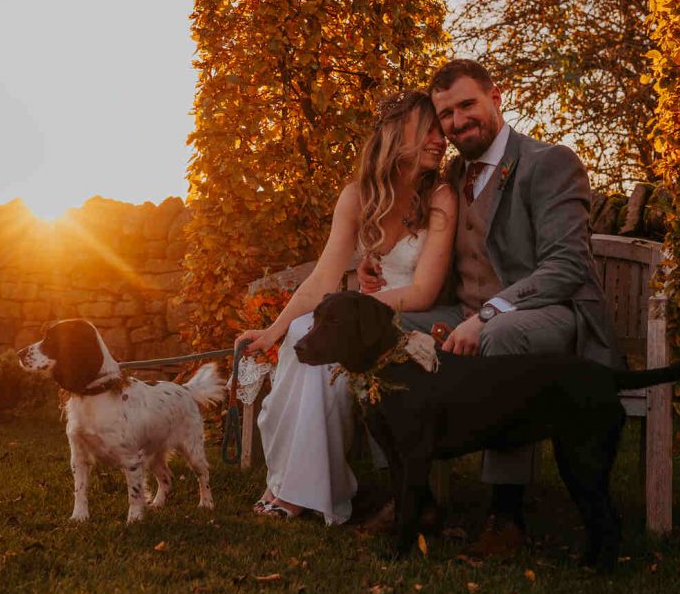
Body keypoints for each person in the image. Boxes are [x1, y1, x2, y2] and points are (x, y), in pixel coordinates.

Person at [360, 59, 621, 554]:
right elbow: (421, 246)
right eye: (446, 115)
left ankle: (506, 513)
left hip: (548, 317)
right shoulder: (452, 176)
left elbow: (566, 267)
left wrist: (490, 313)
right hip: (463, 314)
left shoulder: (549, 162)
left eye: (467, 105)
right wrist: (373, 267)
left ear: (495, 97)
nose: (457, 122)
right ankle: (412, 497)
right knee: (379, 334)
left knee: (502, 336)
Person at [236, 90, 457, 524]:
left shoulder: (441, 196)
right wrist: (273, 331)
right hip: (365, 314)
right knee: (302, 334)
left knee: (324, 337)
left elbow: (424, 292)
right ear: (398, 134)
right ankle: (296, 484)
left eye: (441, 129)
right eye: (429, 129)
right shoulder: (358, 197)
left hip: (415, 316)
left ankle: (294, 489)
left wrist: (358, 308)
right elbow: (321, 278)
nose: (440, 138)